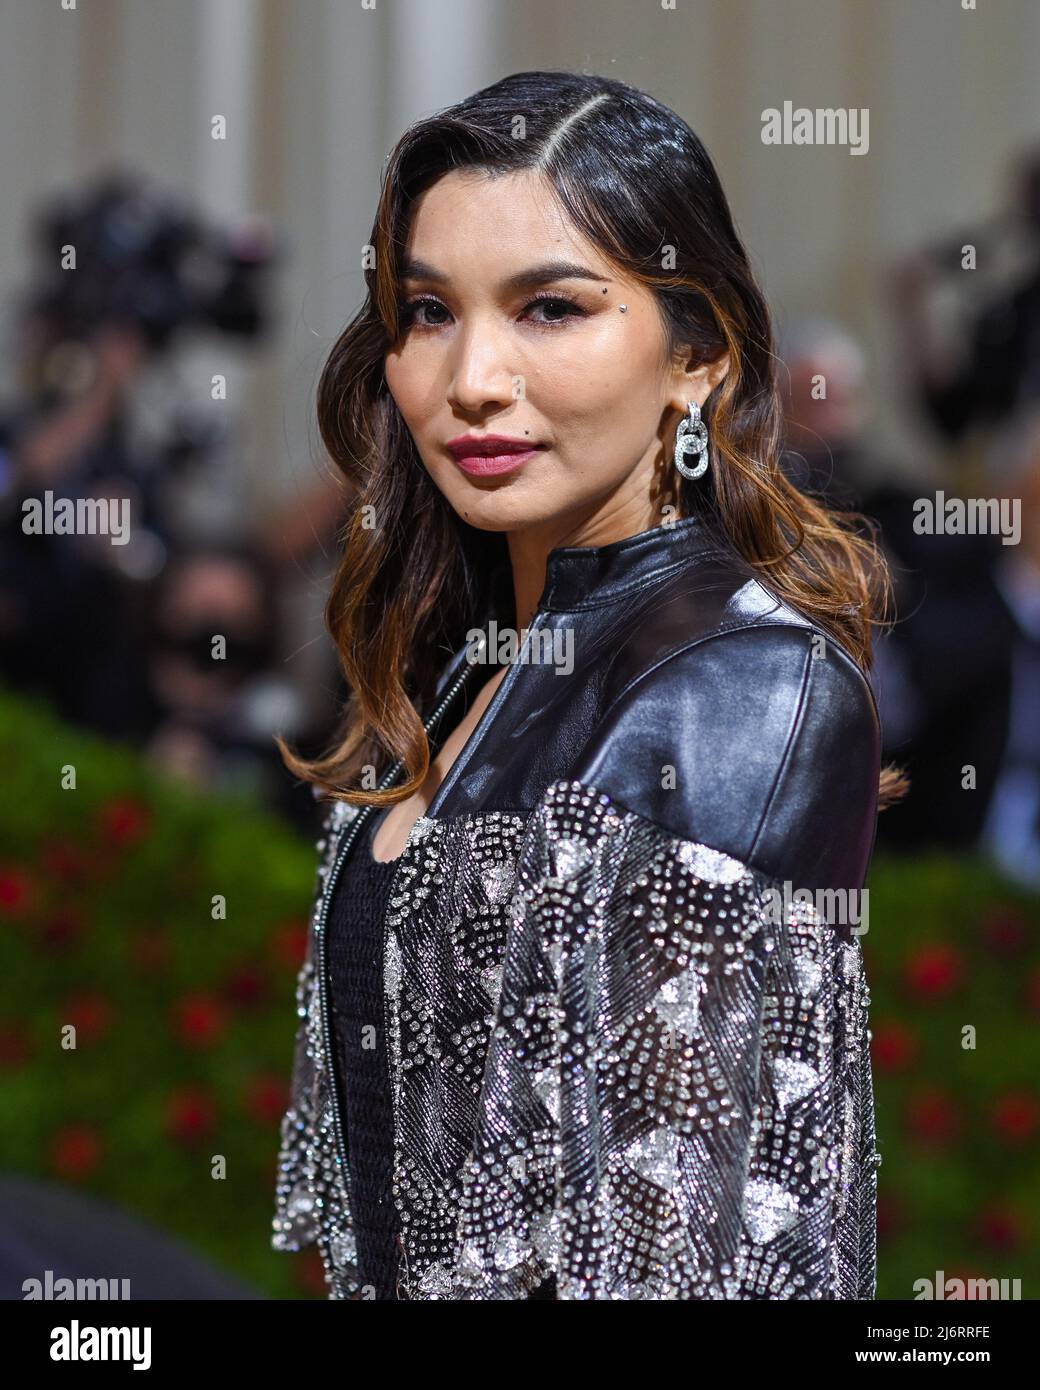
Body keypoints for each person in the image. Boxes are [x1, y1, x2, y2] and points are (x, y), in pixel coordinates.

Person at [270, 70, 907, 1302]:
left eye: (549, 309)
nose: (470, 380)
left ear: (698, 357)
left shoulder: (740, 686)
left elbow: (666, 1256)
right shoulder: (468, 664)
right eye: (426, 310)